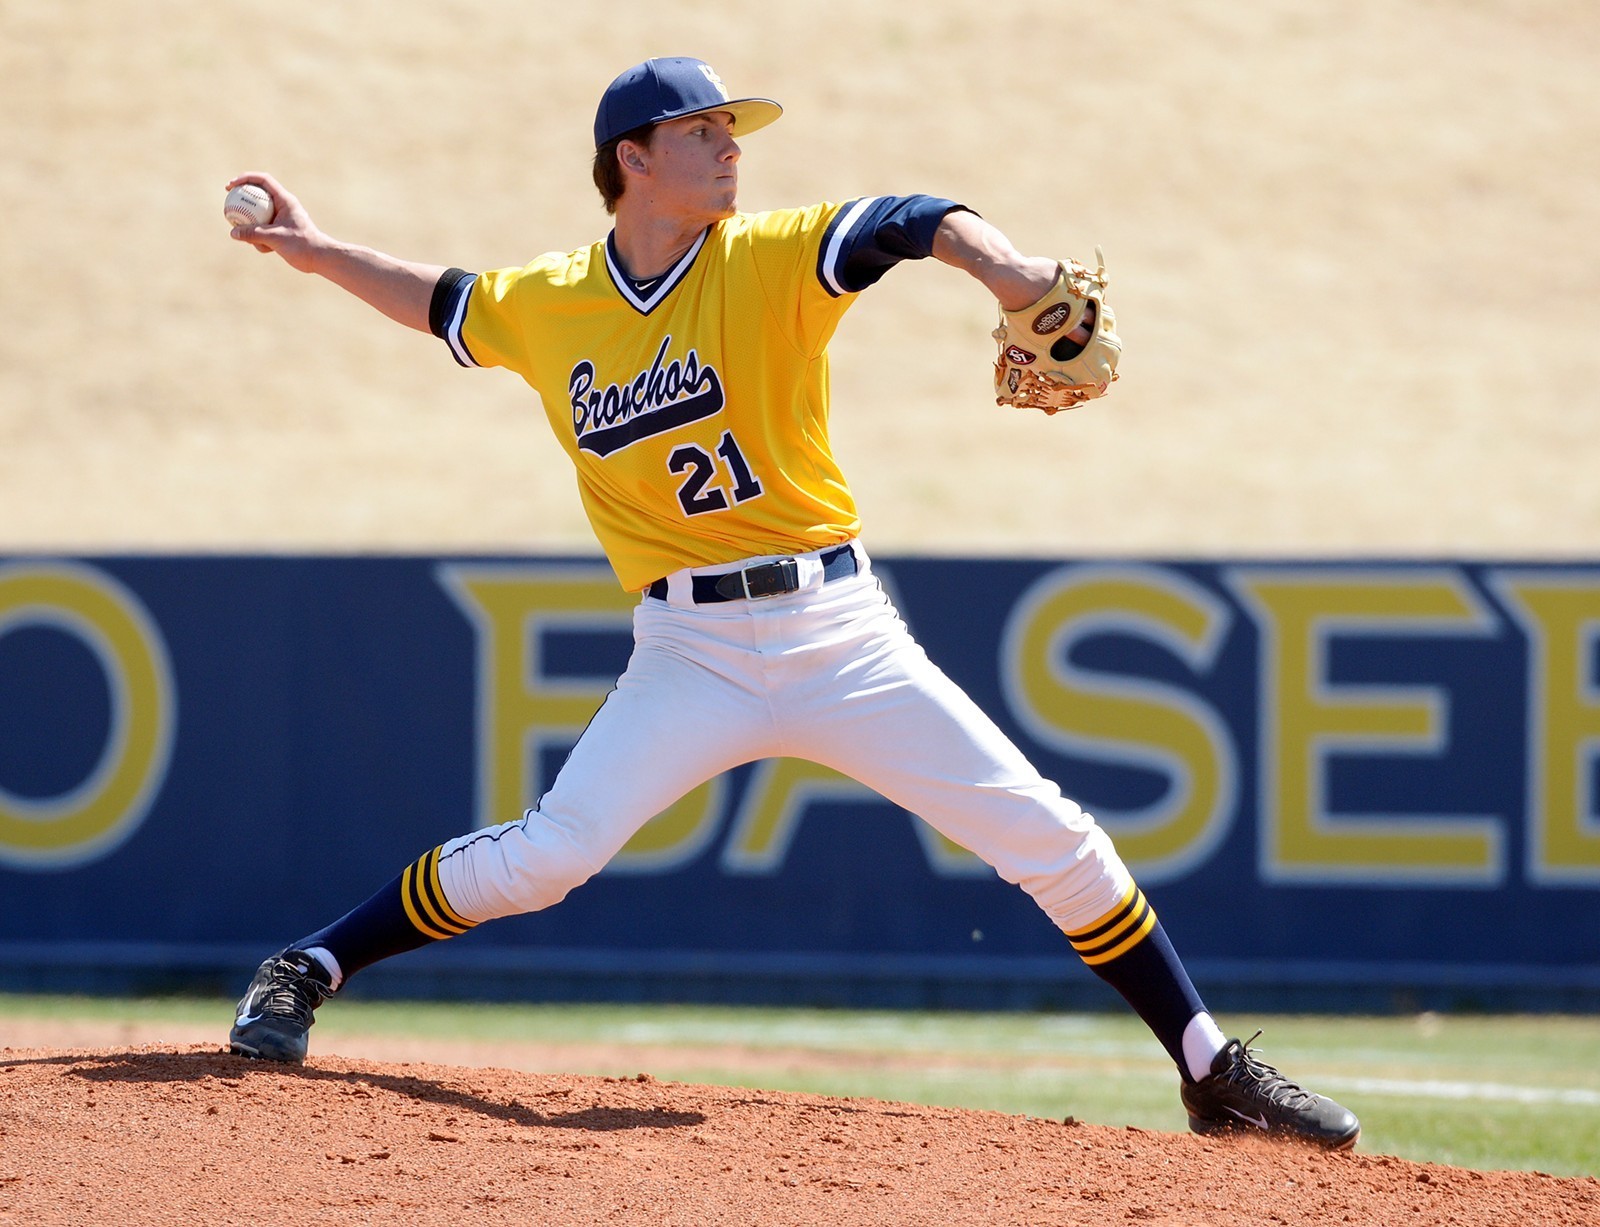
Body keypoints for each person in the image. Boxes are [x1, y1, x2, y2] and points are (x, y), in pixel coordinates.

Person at [223, 56, 1360, 1150]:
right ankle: (308, 967)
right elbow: (443, 303)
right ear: (633, 158)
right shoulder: (552, 301)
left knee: (1047, 837)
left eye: (733, 132)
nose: (730, 151)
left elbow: (914, 217)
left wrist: (1006, 272)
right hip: (689, 650)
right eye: (703, 133)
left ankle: (1211, 1070)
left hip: (839, 632)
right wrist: (314, 251)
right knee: (547, 859)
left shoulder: (764, 257)